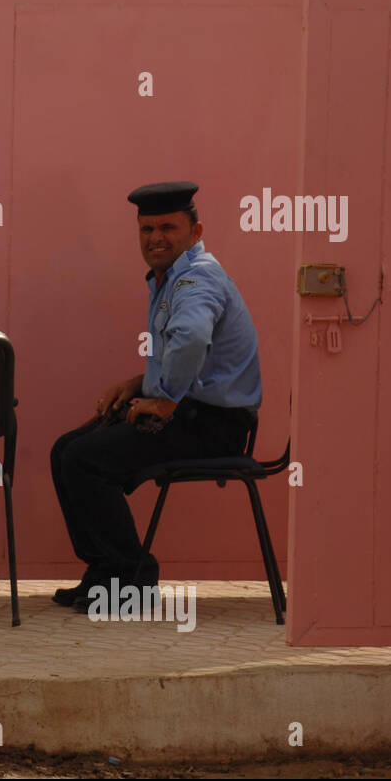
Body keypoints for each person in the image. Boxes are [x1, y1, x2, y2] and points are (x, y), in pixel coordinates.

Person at [49, 182, 262, 612]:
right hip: (197, 415)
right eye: (146, 229)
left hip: (212, 426)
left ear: (196, 230)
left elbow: (192, 337)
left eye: (168, 227)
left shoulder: (196, 277)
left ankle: (132, 577)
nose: (155, 238)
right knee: (65, 451)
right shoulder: (172, 278)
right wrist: (136, 385)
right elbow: (184, 354)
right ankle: (106, 572)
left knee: (82, 461)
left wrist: (163, 401)